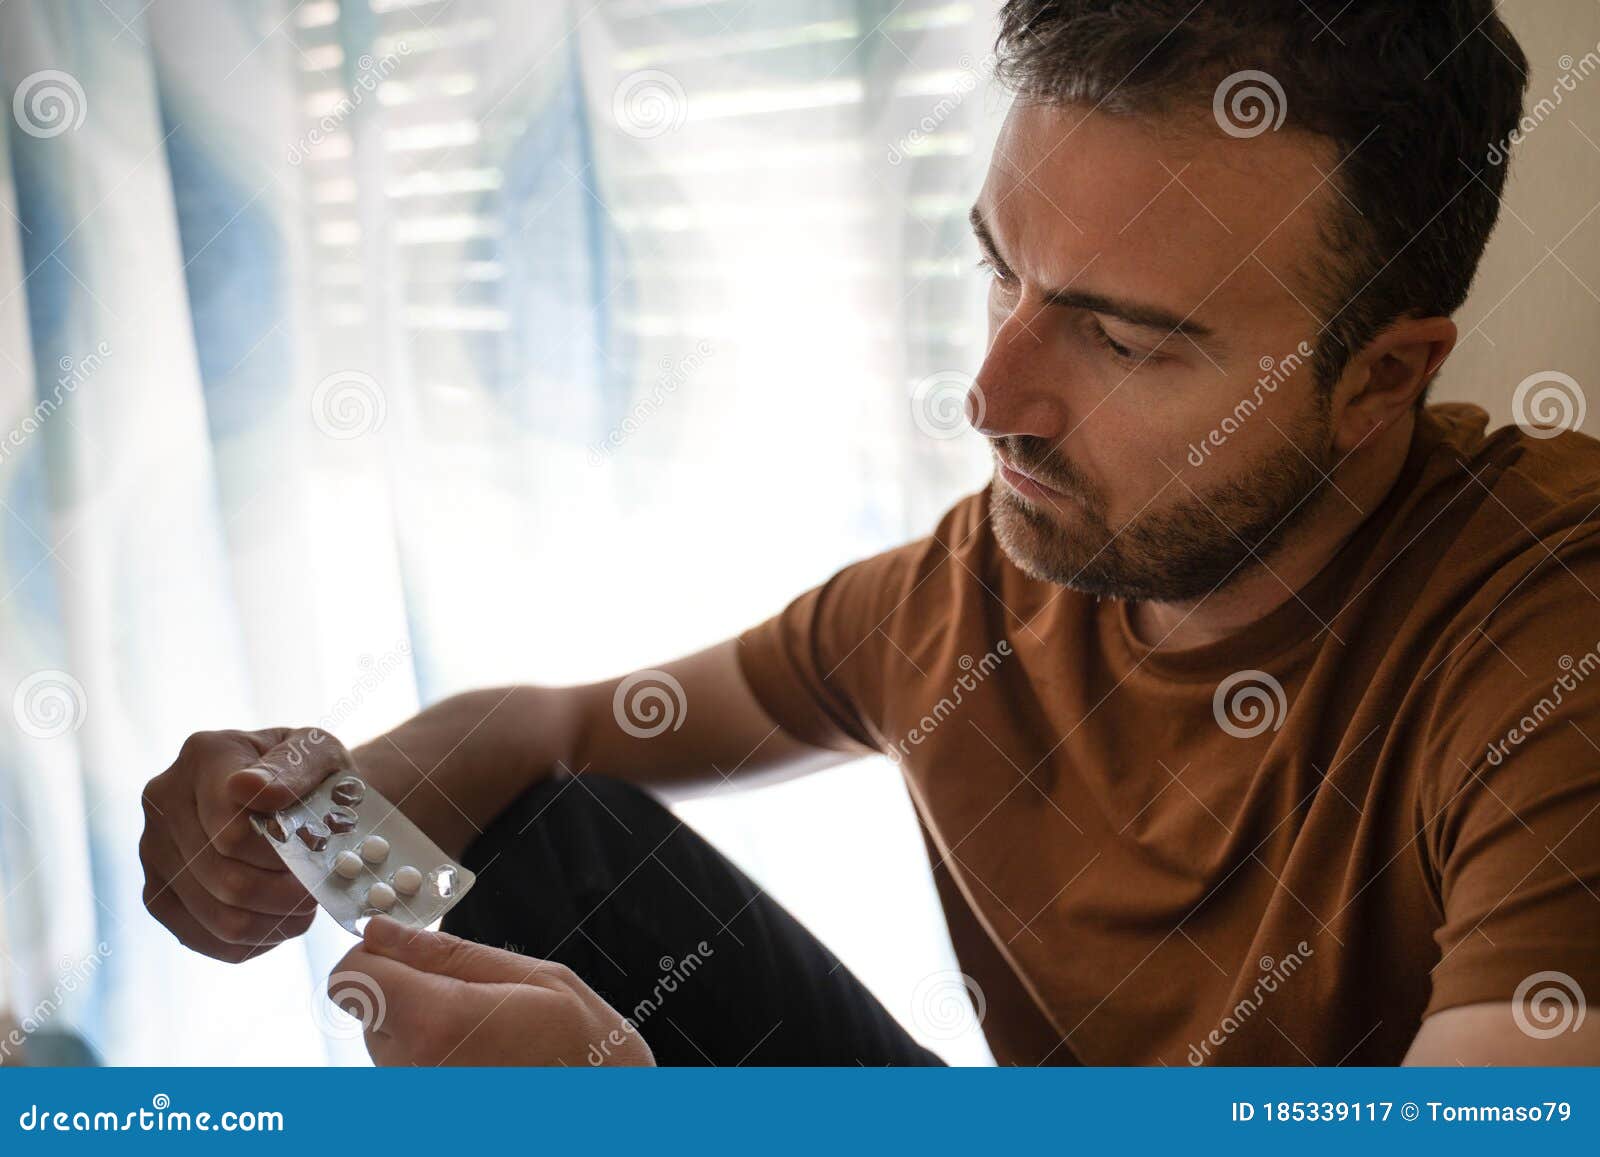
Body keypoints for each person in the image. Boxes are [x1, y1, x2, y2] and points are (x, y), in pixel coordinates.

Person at [139, 0, 1600, 1066]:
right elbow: (546, 729)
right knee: (553, 841)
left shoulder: (1553, 650)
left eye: (1124, 341)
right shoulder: (974, 593)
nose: (992, 400)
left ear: (1382, 379)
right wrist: (295, 813)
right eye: (1003, 275)